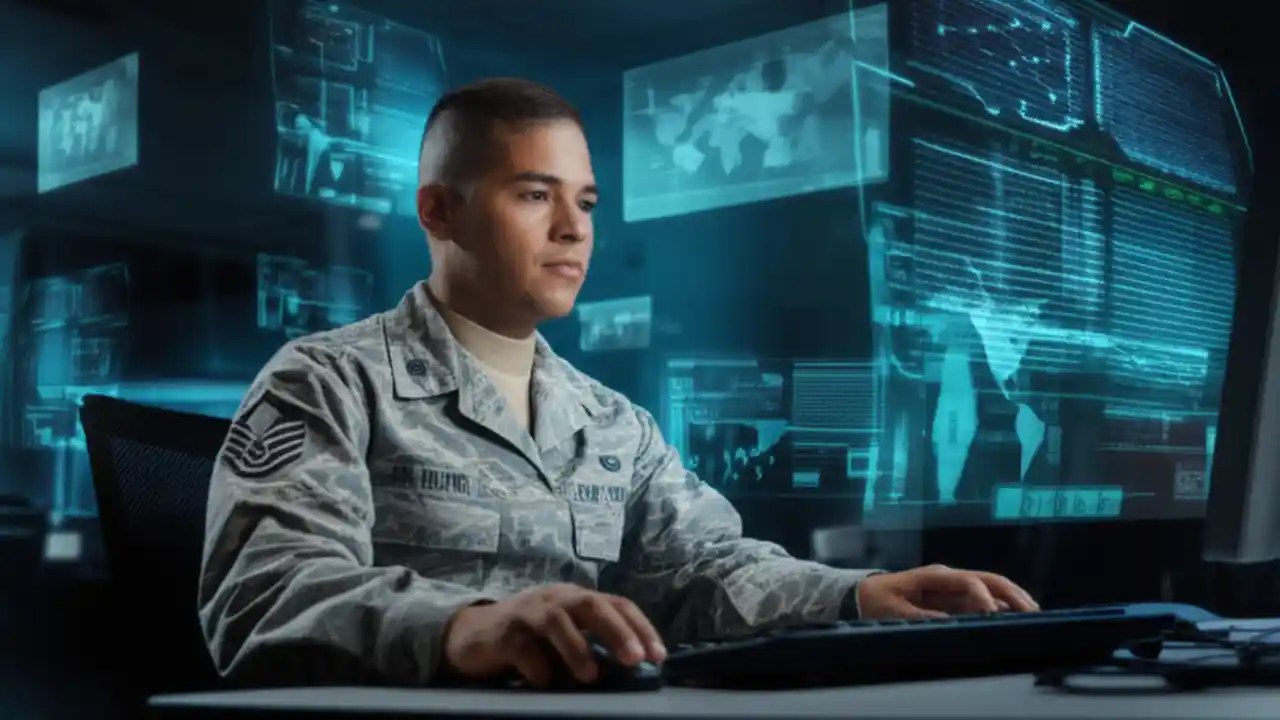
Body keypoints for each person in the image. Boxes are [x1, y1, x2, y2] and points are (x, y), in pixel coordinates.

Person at [198, 77, 1038, 689]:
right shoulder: (329, 380)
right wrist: (461, 625)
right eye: (535, 195)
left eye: (587, 202)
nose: (573, 230)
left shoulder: (612, 423)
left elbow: (708, 572)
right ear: (439, 213)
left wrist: (857, 597)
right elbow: (267, 597)